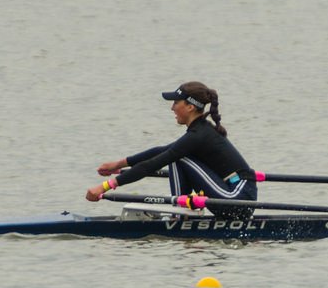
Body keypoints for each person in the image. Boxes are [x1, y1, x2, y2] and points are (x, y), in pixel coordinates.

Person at [87, 81, 258, 214]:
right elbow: (160, 151)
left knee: (177, 157)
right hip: (231, 195)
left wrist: (105, 186)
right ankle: (182, 213)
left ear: (190, 107)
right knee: (174, 155)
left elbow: (152, 164)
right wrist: (118, 165)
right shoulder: (199, 132)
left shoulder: (199, 135)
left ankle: (180, 214)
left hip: (237, 198)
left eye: (176, 102)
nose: (172, 108)